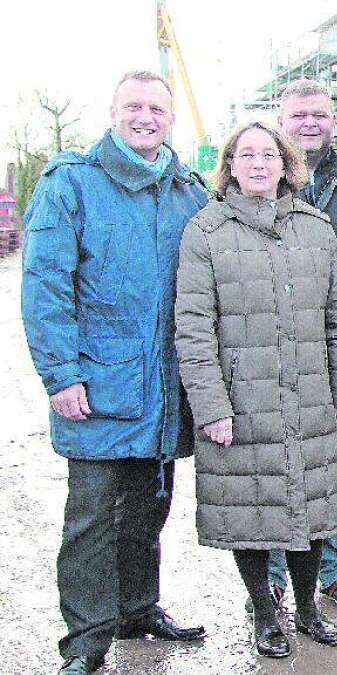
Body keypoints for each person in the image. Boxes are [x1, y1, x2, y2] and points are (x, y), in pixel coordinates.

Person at [21, 70, 209, 675]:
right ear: (112, 111)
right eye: (134, 106)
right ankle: (85, 641)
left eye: (157, 107)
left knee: (149, 507)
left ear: (171, 117)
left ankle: (136, 608)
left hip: (163, 385)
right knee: (93, 519)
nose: (145, 117)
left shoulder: (190, 192)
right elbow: (47, 287)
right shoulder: (71, 185)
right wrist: (61, 374)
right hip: (100, 384)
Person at [174, 121, 337, 658]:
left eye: (269, 155)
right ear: (230, 165)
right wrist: (211, 405)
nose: (259, 164)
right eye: (247, 155)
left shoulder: (316, 227)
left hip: (311, 397)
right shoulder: (206, 232)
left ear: (286, 164)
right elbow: (193, 326)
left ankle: (306, 610)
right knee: (251, 512)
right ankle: (264, 612)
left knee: (315, 507)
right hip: (242, 400)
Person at [253, 78, 337, 611]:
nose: (309, 124)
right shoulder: (258, 186)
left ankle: (334, 569)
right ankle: (275, 574)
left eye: (319, 115)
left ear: (332, 121)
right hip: (273, 357)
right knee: (279, 466)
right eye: (299, 115)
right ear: (283, 121)